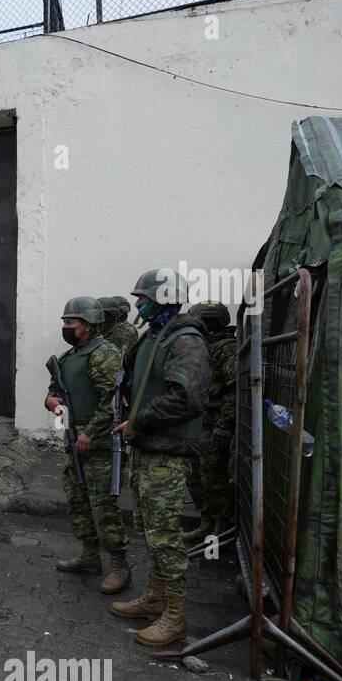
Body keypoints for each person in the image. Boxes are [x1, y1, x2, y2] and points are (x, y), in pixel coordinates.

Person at [108, 269, 211, 647]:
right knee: (150, 531)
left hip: (166, 453)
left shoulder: (186, 341)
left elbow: (187, 398)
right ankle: (155, 597)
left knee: (166, 537)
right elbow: (136, 382)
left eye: (144, 297)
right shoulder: (155, 336)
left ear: (164, 299)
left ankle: (175, 617)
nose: (137, 303)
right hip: (147, 450)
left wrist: (138, 421)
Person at [46, 298, 132, 594]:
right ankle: (89, 555)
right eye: (65, 323)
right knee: (78, 500)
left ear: (88, 325)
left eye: (71, 323)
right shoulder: (71, 356)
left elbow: (113, 402)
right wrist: (50, 400)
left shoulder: (103, 353)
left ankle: (120, 566)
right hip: (76, 440)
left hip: (99, 445)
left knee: (103, 507)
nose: (66, 328)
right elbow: (56, 389)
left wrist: (91, 433)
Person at [181, 302, 237, 543]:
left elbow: (235, 390)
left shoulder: (226, 349)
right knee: (194, 477)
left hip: (214, 426)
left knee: (213, 479)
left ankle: (221, 528)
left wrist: (224, 425)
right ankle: (206, 522)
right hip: (197, 424)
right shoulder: (203, 347)